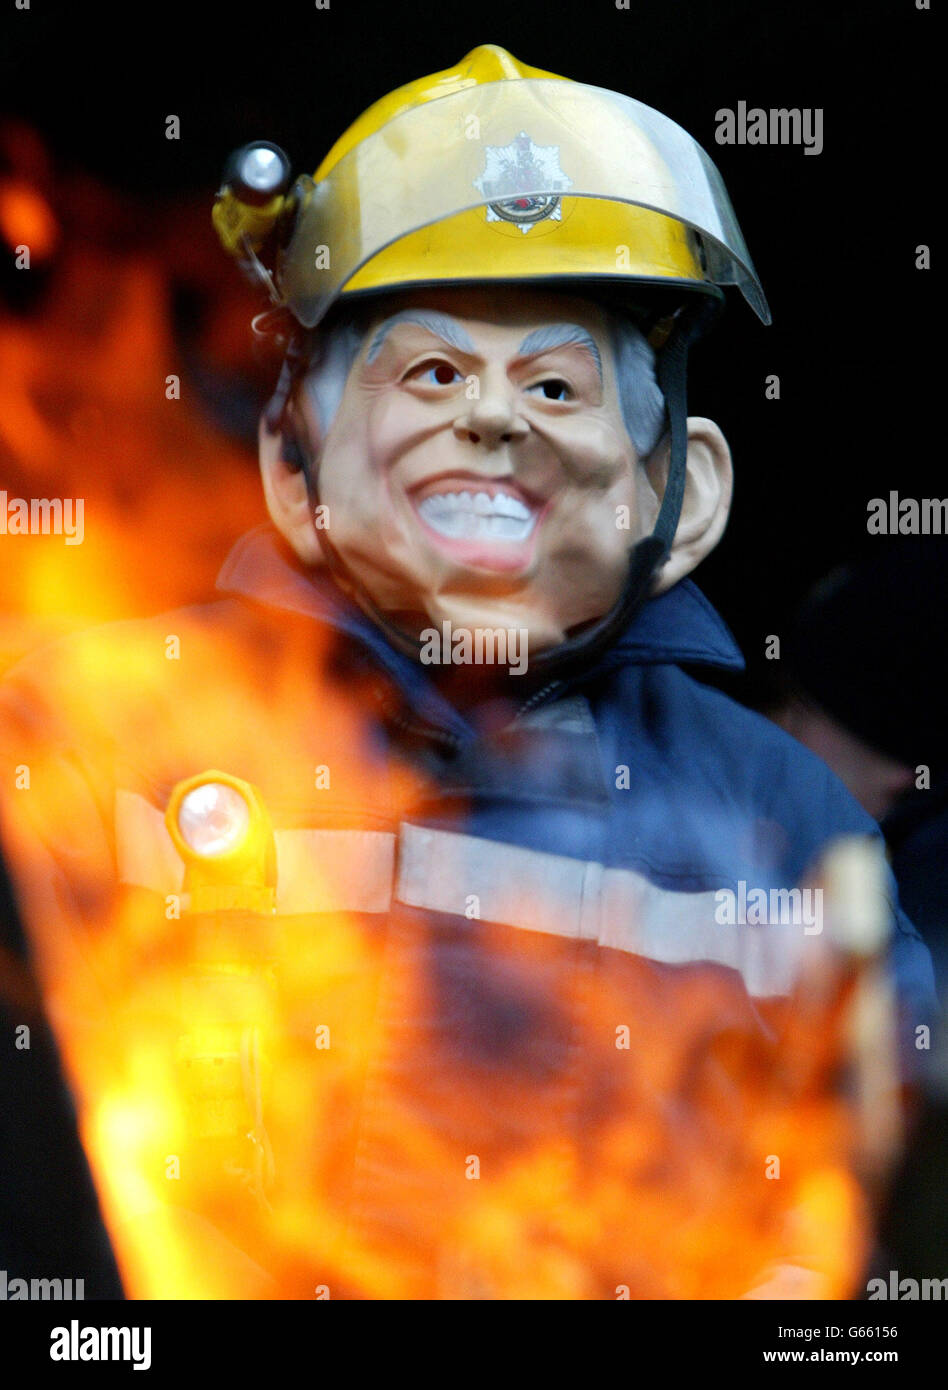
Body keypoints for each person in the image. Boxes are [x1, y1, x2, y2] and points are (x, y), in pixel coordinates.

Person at [0, 44, 935, 1300]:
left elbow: (878, 1232)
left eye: (559, 379)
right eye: (432, 370)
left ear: (685, 492)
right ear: (293, 463)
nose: (494, 419)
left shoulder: (785, 827)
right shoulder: (78, 737)